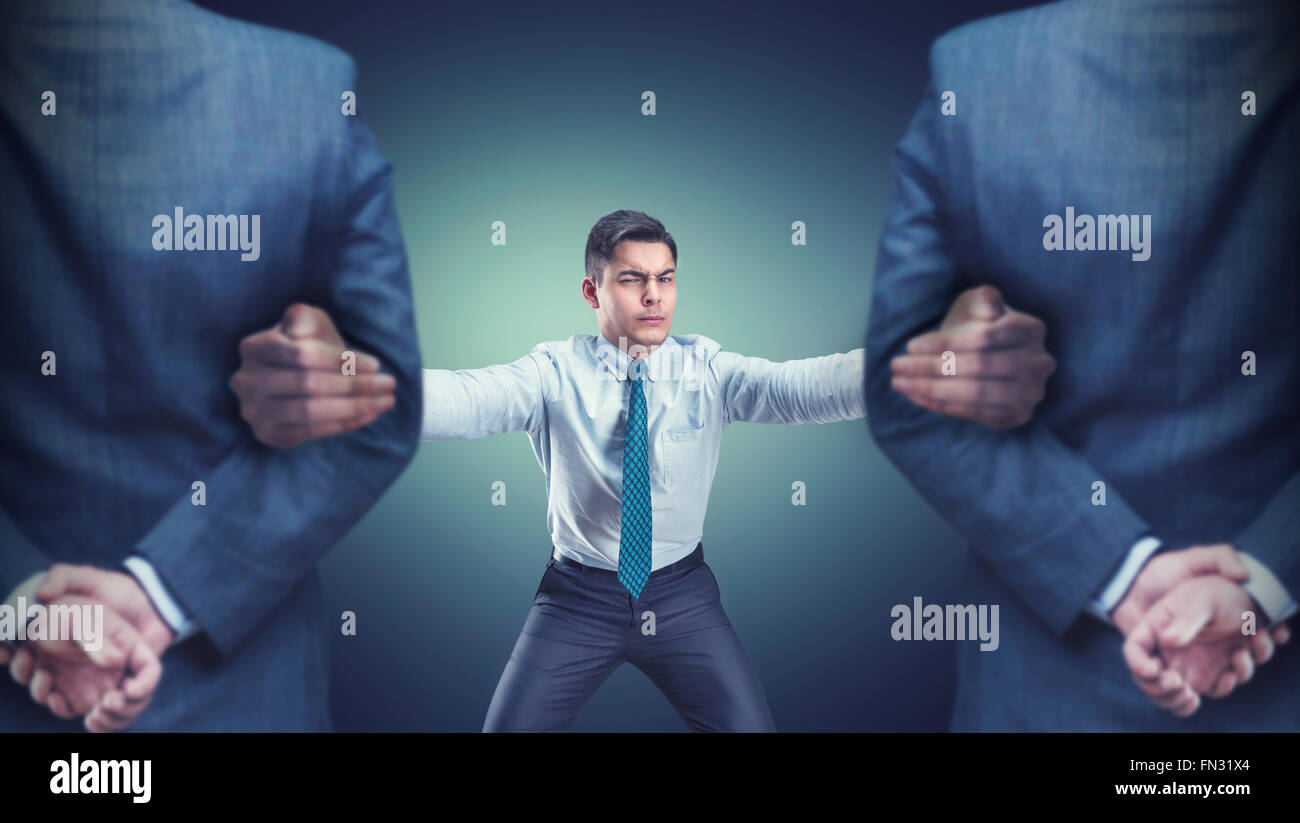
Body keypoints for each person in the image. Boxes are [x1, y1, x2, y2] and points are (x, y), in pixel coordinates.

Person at [225, 209, 1055, 731]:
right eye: (632, 280)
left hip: (683, 595)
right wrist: (354, 385)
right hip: (577, 599)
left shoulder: (709, 366)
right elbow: (465, 399)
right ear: (592, 292)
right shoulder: (552, 371)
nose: (654, 297)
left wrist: (919, 365)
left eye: (665, 280)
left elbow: (805, 387)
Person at [865, 0, 1298, 730]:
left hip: (1041, 691)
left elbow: (904, 386)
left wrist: (1120, 571)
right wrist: (1262, 576)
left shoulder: (975, 72)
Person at [0, 0, 422, 731]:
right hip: (245, 698)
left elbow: (374, 396)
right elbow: (381, 404)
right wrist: (165, 591)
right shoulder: (308, 90)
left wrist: (20, 592)